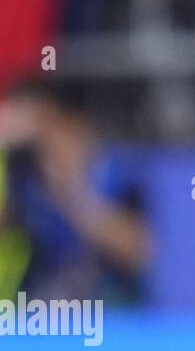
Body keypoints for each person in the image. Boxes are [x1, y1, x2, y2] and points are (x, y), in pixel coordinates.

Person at [0, 81, 152, 304]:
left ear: (77, 127)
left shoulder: (118, 172)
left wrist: (71, 194)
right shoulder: (28, 179)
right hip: (40, 316)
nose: (50, 144)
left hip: (109, 317)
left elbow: (139, 252)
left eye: (54, 128)